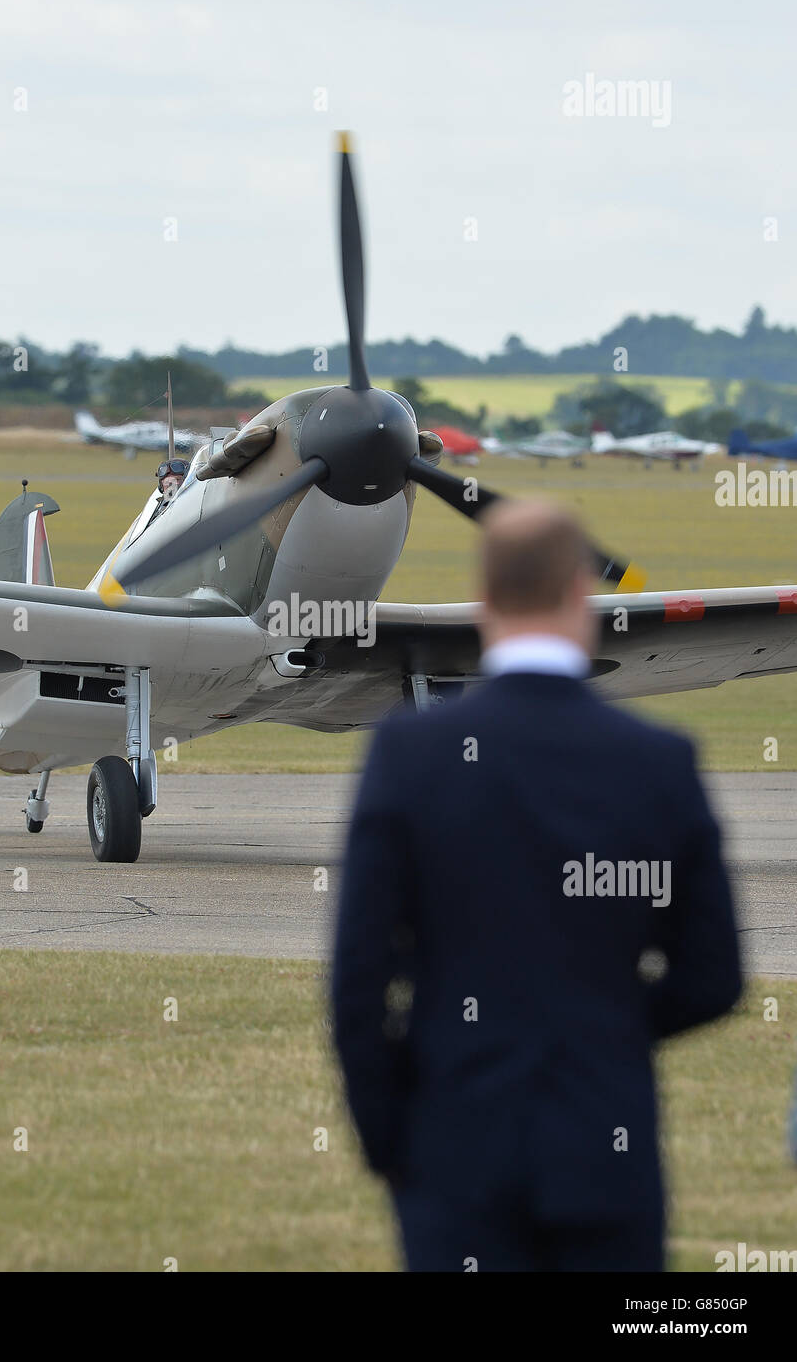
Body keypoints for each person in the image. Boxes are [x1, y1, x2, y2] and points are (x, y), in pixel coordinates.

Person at [332, 499, 742, 1272]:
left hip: (454, 1148)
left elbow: (357, 982)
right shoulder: (659, 760)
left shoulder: (409, 753)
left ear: (483, 602)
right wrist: (602, 1029)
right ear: (581, 598)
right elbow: (712, 977)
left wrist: (389, 1139)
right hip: (603, 1146)